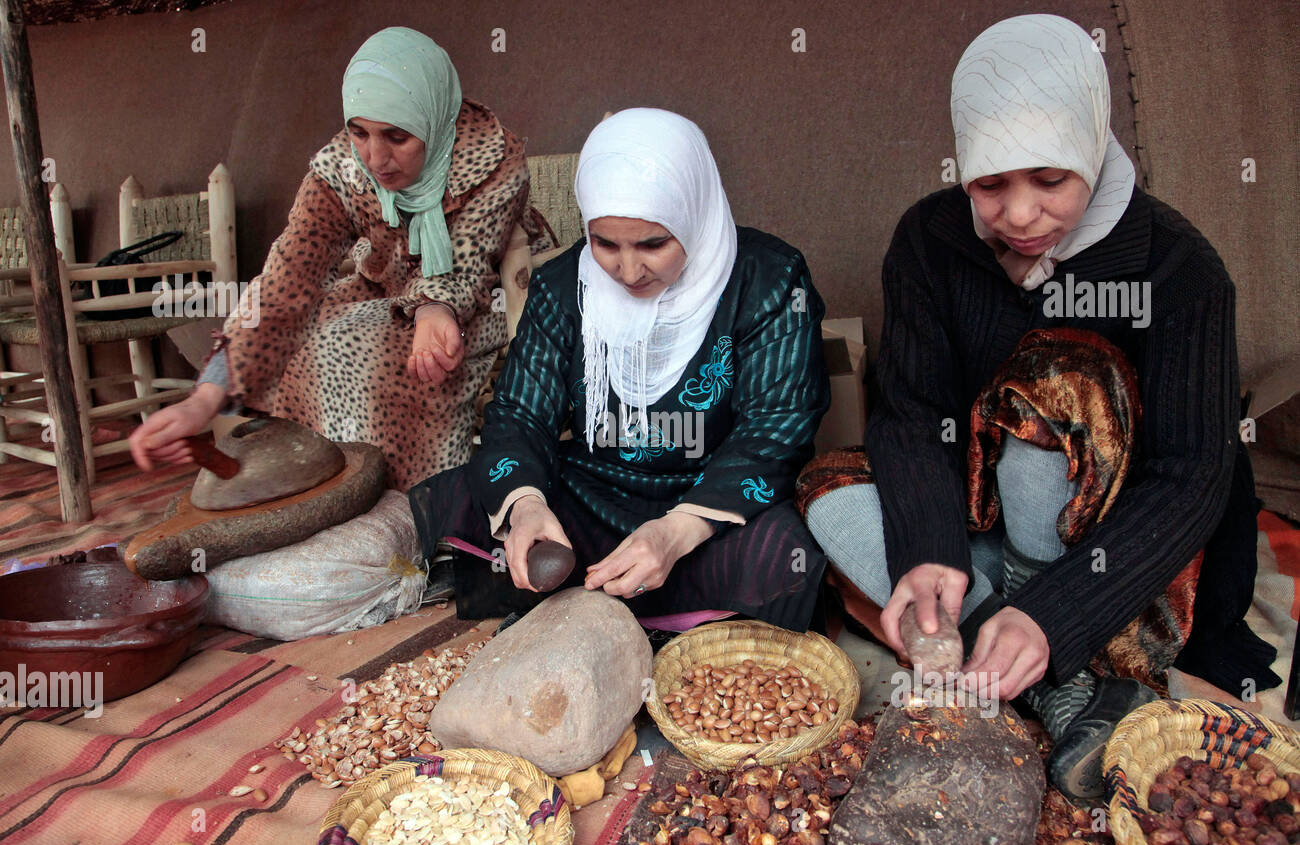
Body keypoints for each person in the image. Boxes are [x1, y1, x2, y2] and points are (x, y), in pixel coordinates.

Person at [799, 14, 1274, 798]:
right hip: (981, 520)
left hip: (1126, 551)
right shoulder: (928, 239)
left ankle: (1041, 644)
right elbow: (913, 414)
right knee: (828, 497)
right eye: (990, 184)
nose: (1019, 215)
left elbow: (1193, 479)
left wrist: (1055, 614)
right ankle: (1040, 670)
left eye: (1049, 180)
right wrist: (927, 552)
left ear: (1092, 143)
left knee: (1057, 382)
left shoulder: (1180, 270)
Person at [409, 108, 831, 634]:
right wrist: (526, 508)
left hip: (709, 500)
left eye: (653, 243)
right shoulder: (564, 285)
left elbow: (778, 425)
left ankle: (624, 604)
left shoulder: (770, 279)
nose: (628, 272)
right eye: (605, 244)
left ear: (693, 215)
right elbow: (519, 413)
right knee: (467, 493)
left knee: (783, 553)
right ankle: (612, 597)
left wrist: (676, 531)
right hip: (596, 487)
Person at [128, 27, 550, 490]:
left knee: (387, 358)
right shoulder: (341, 169)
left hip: (484, 297)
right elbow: (288, 277)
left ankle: (413, 508)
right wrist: (204, 399)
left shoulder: (491, 155)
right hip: (381, 287)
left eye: (396, 136)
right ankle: (319, 494)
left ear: (433, 118)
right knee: (303, 341)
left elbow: (472, 255)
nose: (375, 157)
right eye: (360, 132)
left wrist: (434, 308)